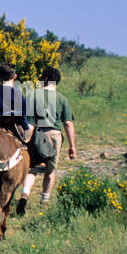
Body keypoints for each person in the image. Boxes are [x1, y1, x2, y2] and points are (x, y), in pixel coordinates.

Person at [18, 65, 77, 214]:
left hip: (37, 134)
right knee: (50, 171)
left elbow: (28, 122)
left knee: (32, 169)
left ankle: (25, 193)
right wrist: (72, 146)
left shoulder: (33, 95)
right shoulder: (62, 99)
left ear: (45, 78)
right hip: (54, 135)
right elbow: (68, 124)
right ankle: (44, 202)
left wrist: (24, 139)